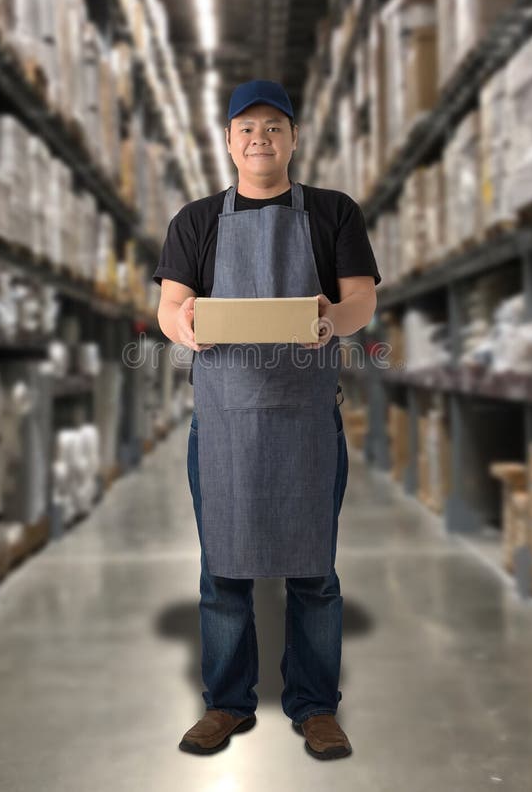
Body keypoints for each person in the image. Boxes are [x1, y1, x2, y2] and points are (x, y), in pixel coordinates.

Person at [154, 79, 380, 760]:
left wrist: (329, 323)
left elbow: (360, 302)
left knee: (313, 569)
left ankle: (315, 707)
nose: (260, 139)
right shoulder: (194, 222)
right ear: (228, 141)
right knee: (223, 569)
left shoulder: (334, 213)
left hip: (305, 415)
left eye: (273, 127)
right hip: (223, 420)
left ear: (294, 138)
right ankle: (227, 702)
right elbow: (171, 308)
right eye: (246, 128)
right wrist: (184, 330)